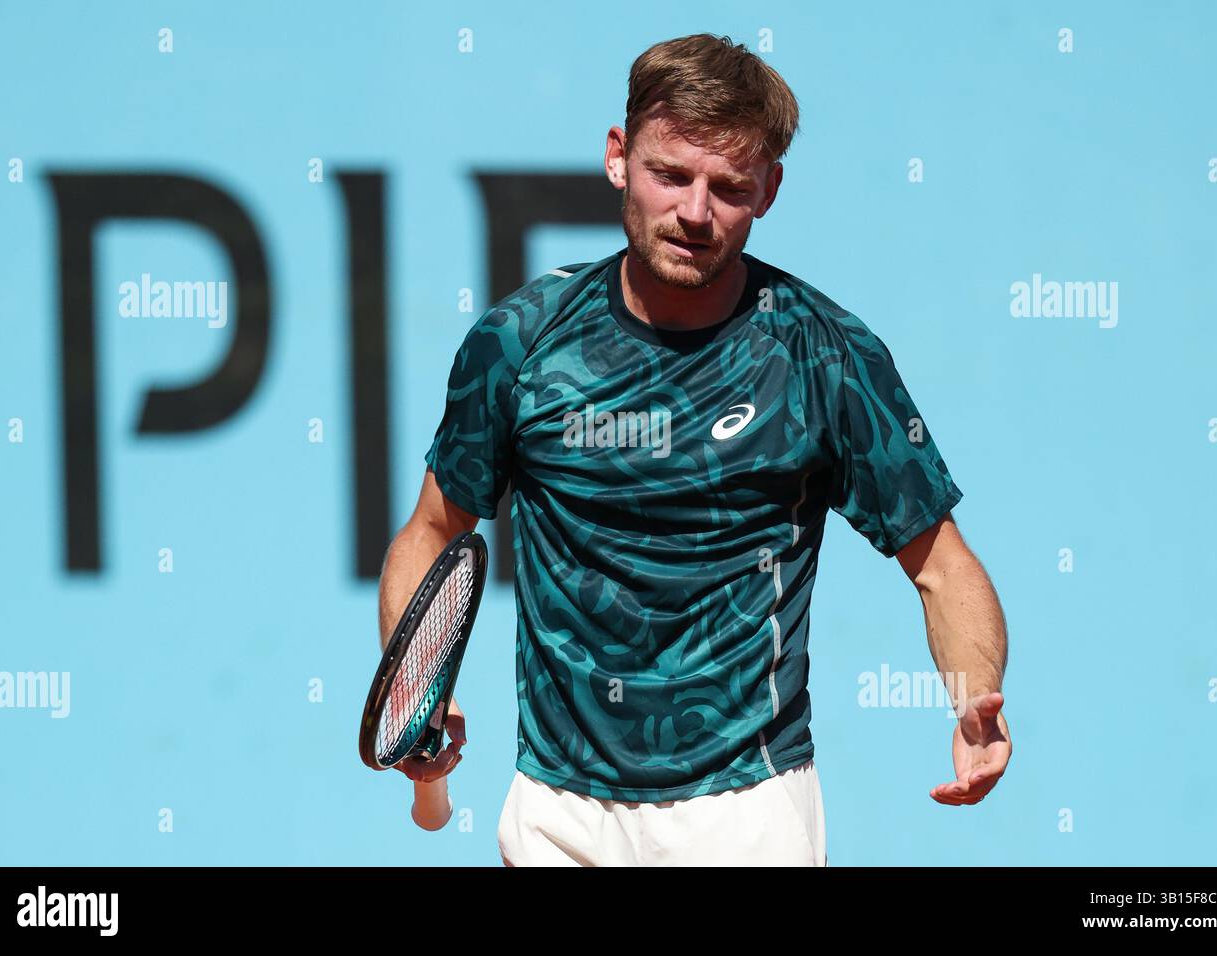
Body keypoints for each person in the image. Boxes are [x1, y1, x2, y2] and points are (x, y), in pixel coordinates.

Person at [378, 32, 1011, 867]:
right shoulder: (519, 343)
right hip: (557, 811)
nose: (696, 213)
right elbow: (432, 531)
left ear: (770, 191)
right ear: (618, 158)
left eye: (730, 187)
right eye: (670, 175)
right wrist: (419, 690)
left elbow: (940, 564)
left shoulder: (824, 353)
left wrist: (973, 698)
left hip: (750, 811)